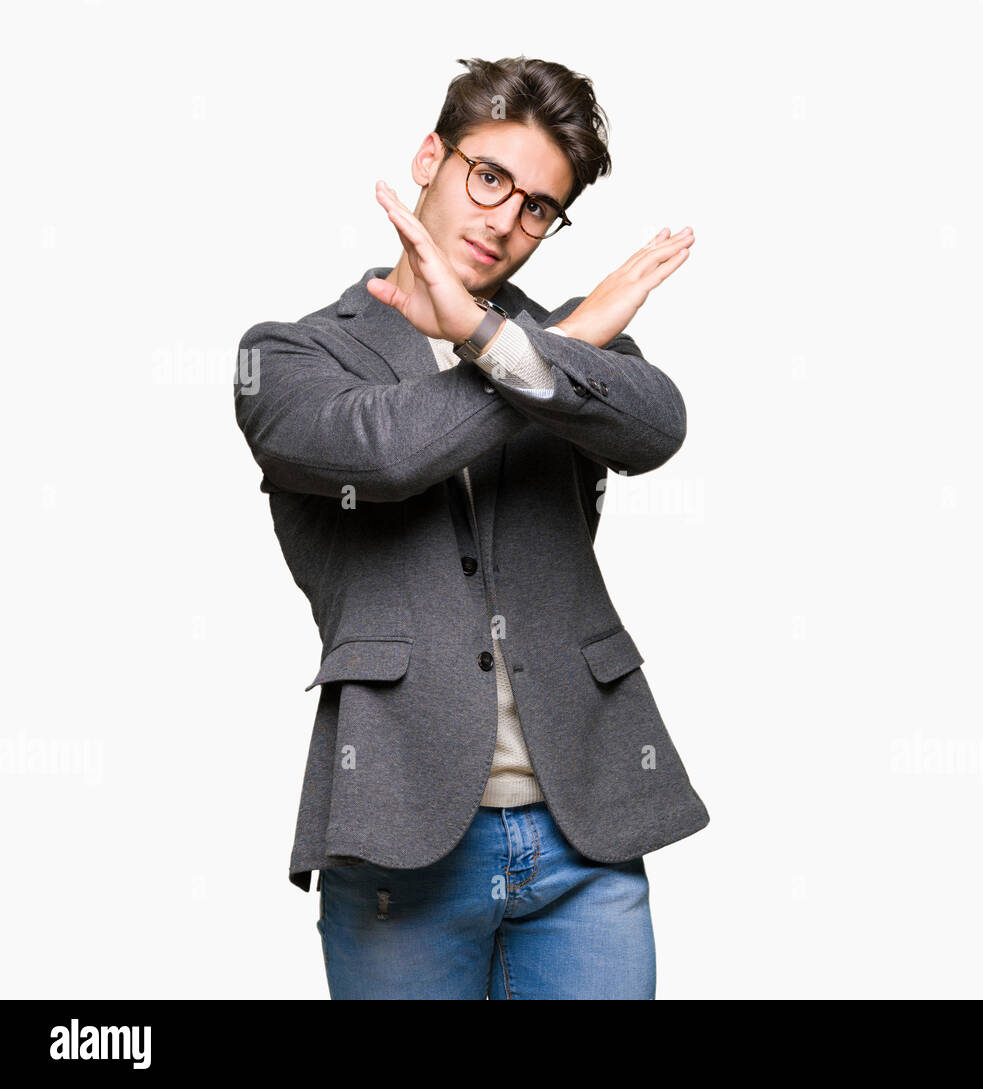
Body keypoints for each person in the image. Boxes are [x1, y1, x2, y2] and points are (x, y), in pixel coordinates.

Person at [233, 56, 708, 999]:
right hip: (399, 834)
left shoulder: (575, 342)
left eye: (539, 205)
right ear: (430, 158)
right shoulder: (289, 355)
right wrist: (552, 349)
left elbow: (658, 426)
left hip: (587, 835)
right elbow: (388, 451)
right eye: (489, 176)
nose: (505, 219)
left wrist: (505, 339)